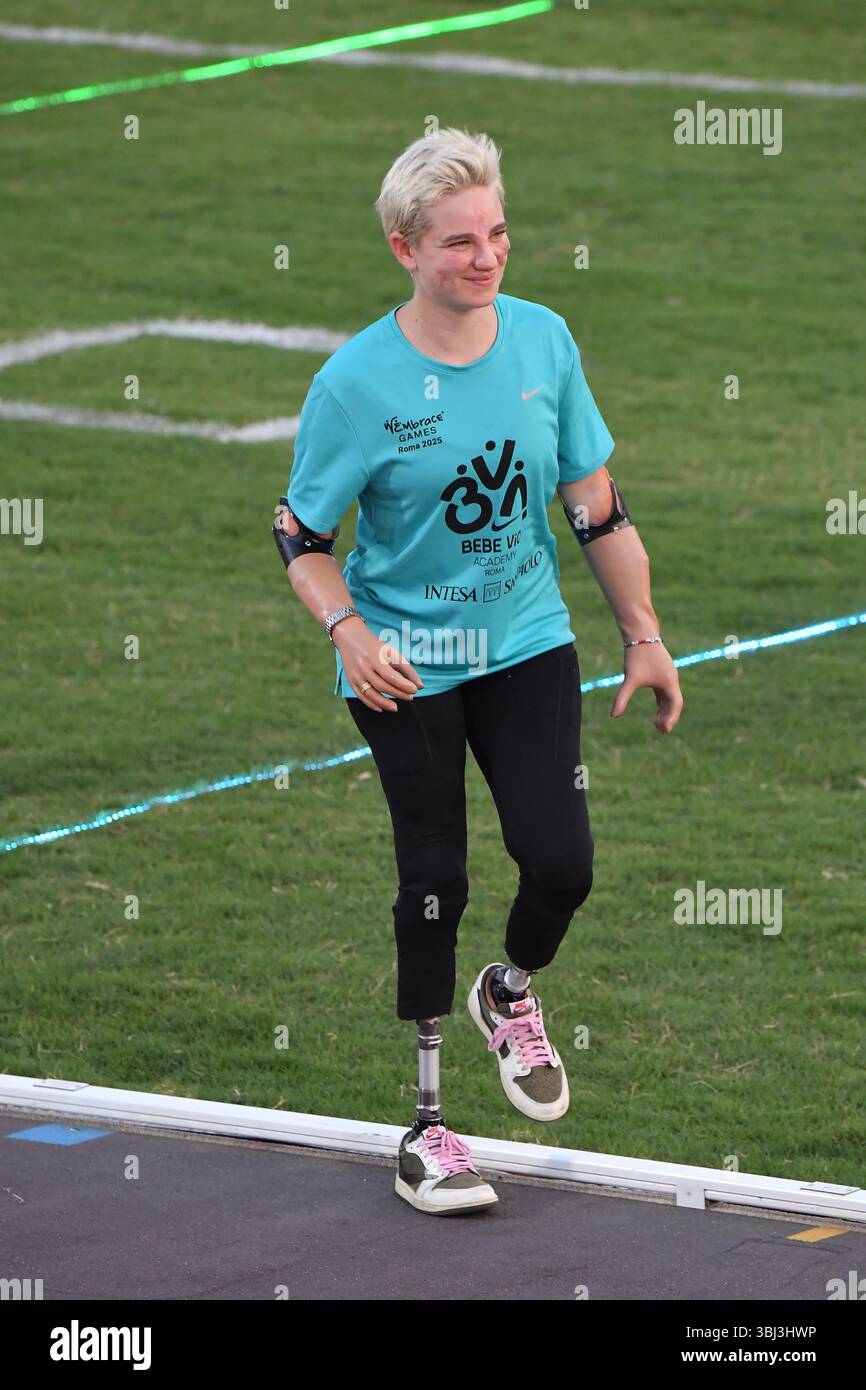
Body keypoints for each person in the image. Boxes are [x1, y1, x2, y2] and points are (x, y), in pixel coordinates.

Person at [273, 127, 683, 1217]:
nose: (485, 256)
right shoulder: (356, 384)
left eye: (496, 233)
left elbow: (594, 506)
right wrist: (348, 631)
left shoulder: (543, 344)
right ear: (403, 247)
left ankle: (506, 989)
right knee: (433, 875)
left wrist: (640, 632)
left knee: (562, 862)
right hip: (409, 662)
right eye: (457, 241)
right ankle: (427, 1128)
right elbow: (299, 534)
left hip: (525, 640)